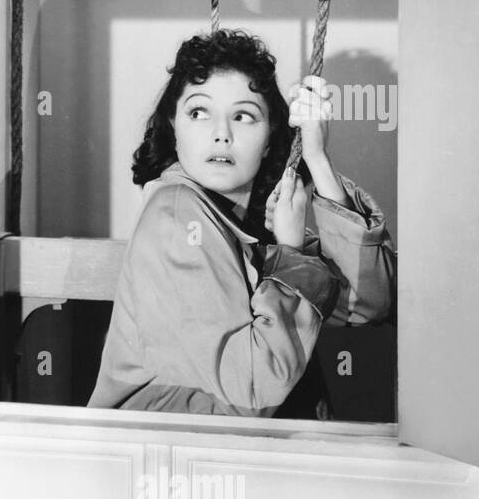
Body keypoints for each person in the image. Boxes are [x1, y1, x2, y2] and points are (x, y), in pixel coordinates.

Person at [86, 29, 396, 416]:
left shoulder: (247, 222)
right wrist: (291, 254)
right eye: (199, 112)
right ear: (173, 127)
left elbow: (366, 305)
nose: (221, 135)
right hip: (174, 460)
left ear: (268, 138)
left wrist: (318, 159)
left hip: (238, 457)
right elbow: (257, 381)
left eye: (243, 116)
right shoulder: (176, 212)